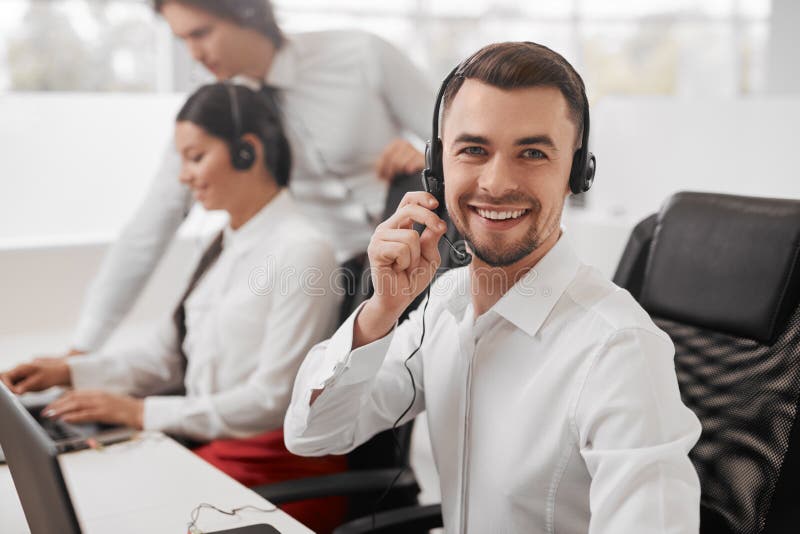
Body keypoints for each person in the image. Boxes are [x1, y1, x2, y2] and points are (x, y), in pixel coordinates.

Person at [283, 42, 702, 533]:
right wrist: (381, 310)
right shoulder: (447, 303)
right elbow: (313, 434)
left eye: (532, 152)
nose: (497, 182)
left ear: (577, 172)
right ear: (437, 169)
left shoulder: (618, 350)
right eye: (474, 150)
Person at [1, 83, 347, 533]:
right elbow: (167, 355)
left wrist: (140, 413)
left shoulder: (303, 251)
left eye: (195, 156)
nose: (183, 175)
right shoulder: (222, 245)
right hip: (217, 452)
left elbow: (273, 400)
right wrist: (70, 371)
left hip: (276, 470)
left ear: (247, 152)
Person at [63, 0, 435, 355]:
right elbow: (150, 227)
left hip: (419, 256)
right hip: (328, 284)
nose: (193, 53)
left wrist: (428, 159)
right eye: (183, 40)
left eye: (202, 33)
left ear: (246, 10)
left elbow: (465, 142)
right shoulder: (216, 113)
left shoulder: (362, 55)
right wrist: (84, 347)